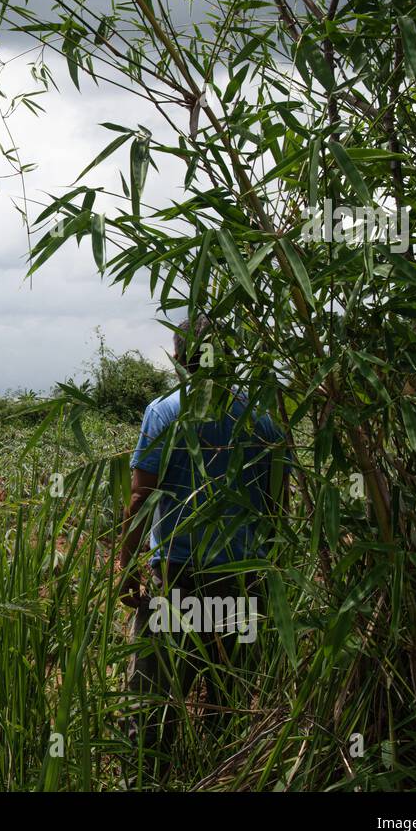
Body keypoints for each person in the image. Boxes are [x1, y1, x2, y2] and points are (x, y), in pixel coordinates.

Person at [119, 315, 288, 755]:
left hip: (178, 577)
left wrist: (125, 566)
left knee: (153, 698)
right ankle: (223, 775)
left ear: (178, 359)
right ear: (228, 357)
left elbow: (140, 499)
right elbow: (277, 507)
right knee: (230, 696)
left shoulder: (165, 412)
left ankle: (148, 779)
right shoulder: (264, 419)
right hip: (242, 578)